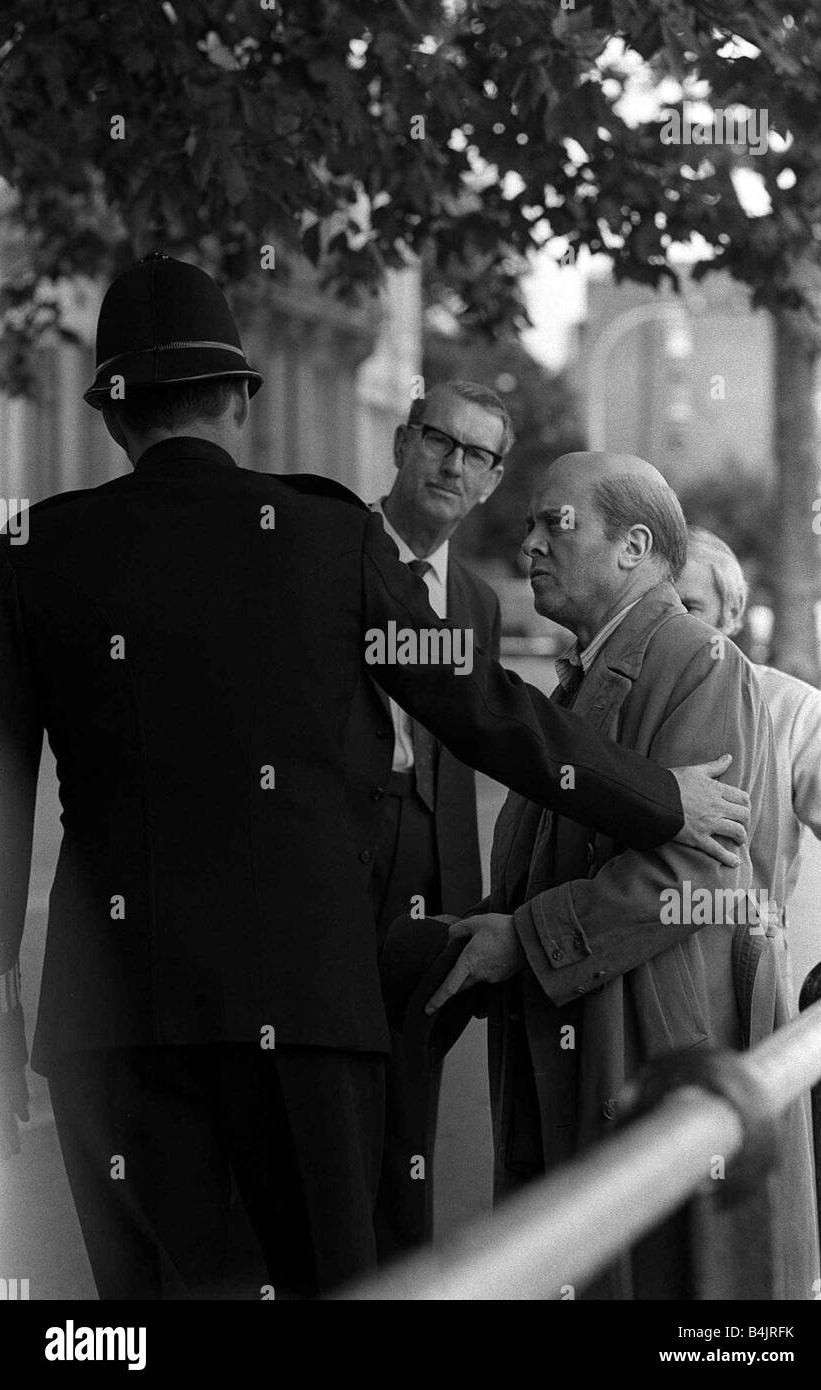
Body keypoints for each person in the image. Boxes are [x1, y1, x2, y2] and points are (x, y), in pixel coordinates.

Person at [0, 256, 750, 1300]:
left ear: (114, 412)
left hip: (111, 1011)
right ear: (241, 401)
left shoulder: (34, 552)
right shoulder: (329, 535)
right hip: (304, 1007)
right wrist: (665, 797)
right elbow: (483, 709)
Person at [426, 452, 818, 1300]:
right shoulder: (588, 672)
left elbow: (697, 873)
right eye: (529, 524)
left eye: (553, 523)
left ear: (634, 545)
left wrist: (523, 940)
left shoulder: (696, 663)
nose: (530, 542)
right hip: (591, 1043)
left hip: (642, 1049)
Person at [346, 379, 507, 1260]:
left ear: (489, 482)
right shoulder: (335, 556)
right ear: (402, 442)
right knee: (330, 1105)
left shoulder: (476, 604)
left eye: (477, 455)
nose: (453, 464)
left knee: (409, 1113)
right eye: (440, 440)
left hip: (432, 879)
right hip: (336, 868)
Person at [677, 525, 821, 924]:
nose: (670, 625)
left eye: (689, 608)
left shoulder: (793, 708)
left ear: (732, 612)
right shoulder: (599, 703)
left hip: (744, 964)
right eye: (656, 607)